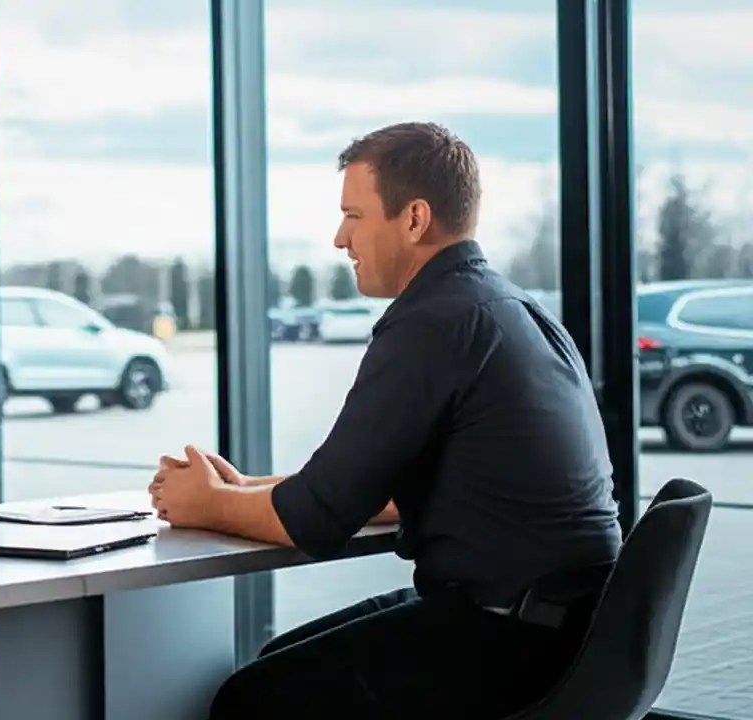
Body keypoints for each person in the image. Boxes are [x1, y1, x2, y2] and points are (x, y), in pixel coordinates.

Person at [150, 123, 623, 719]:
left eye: (353, 215)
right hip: (563, 630)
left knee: (252, 702)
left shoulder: (434, 323)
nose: (339, 238)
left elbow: (318, 517)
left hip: (506, 639)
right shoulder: (512, 309)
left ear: (414, 218)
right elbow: (378, 489)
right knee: (280, 659)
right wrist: (242, 489)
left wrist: (206, 505)